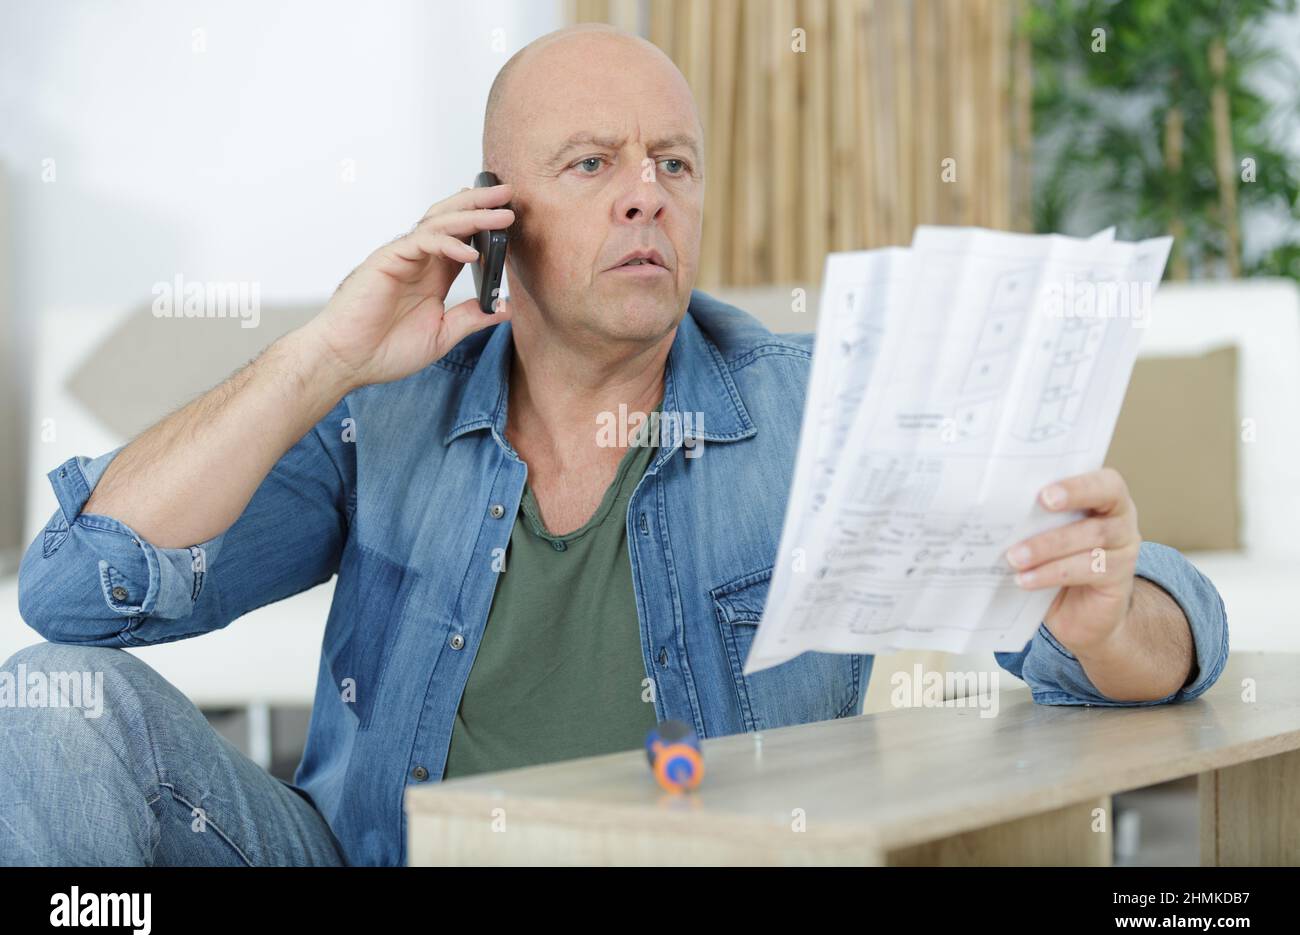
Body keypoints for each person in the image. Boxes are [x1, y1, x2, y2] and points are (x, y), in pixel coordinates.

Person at [2, 23, 1228, 866]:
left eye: (672, 163)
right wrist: (324, 355)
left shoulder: (814, 407)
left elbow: (1160, 634)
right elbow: (74, 591)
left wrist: (1111, 620)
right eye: (592, 163)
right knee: (58, 709)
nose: (646, 191)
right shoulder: (382, 413)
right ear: (493, 213)